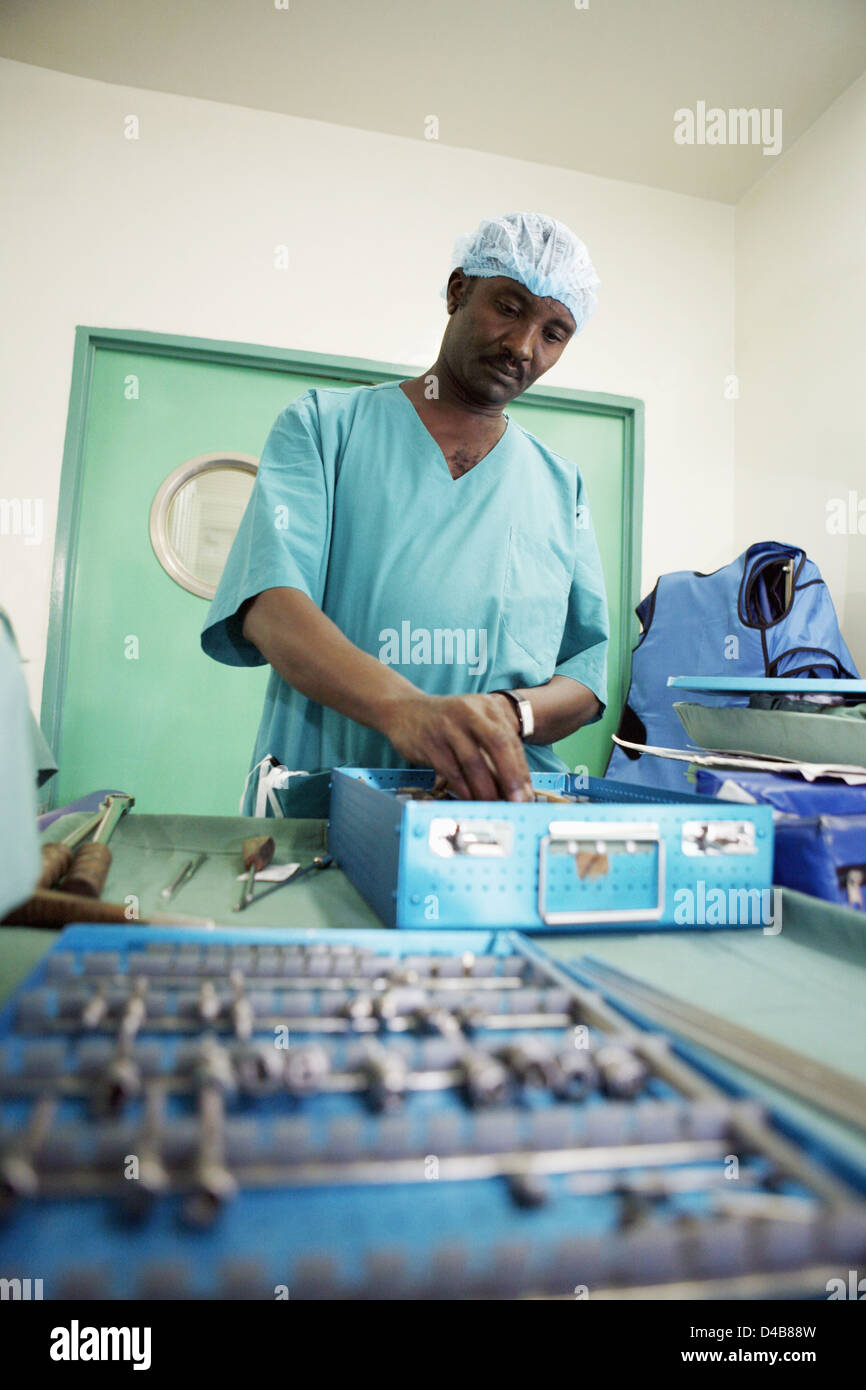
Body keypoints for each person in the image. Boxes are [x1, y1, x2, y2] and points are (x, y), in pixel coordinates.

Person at [201, 211, 609, 810]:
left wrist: (507, 713)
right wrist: (406, 710)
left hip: (488, 818)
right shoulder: (324, 429)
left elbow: (586, 673)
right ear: (457, 291)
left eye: (554, 333)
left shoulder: (558, 485)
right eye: (510, 306)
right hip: (327, 803)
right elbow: (269, 605)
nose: (523, 347)